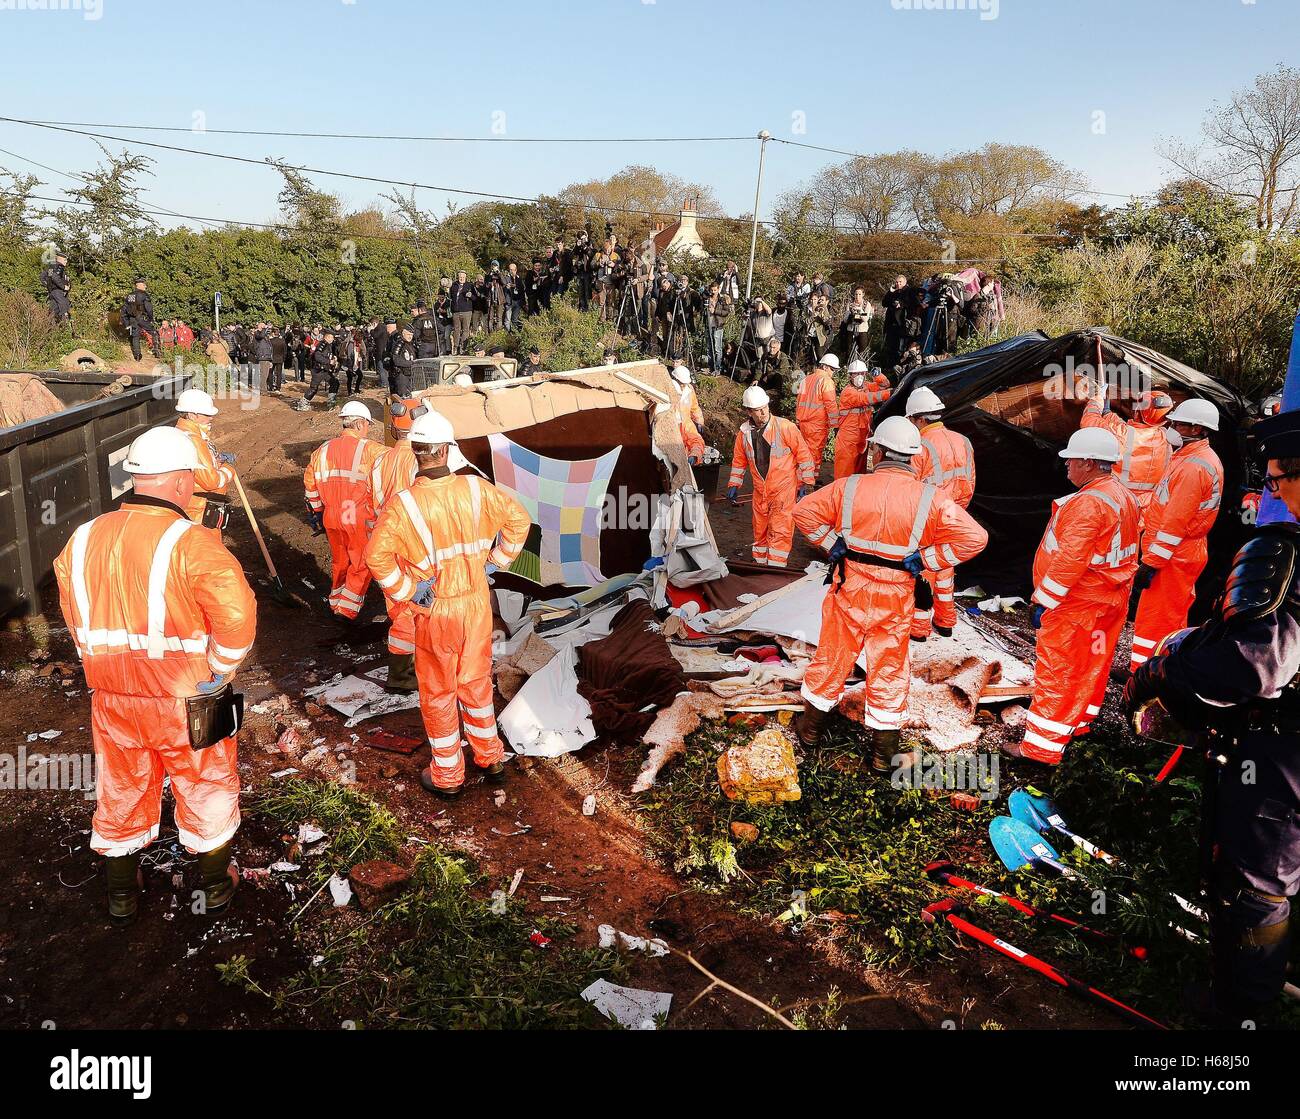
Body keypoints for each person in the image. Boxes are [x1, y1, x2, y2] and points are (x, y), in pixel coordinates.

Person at [1122, 407, 1300, 1026]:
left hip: (1282, 753)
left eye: (1278, 479)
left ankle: (1239, 1019)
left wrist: (1164, 679)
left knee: (1256, 885)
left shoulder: (1282, 557)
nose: (1271, 492)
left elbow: (1256, 664)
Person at [53, 426, 257, 921]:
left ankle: (122, 892)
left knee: (121, 787)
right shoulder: (193, 541)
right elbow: (238, 616)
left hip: (113, 697)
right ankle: (213, 885)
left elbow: (74, 612)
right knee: (204, 782)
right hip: (184, 696)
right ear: (183, 481)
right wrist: (220, 673)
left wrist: (100, 666)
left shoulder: (82, 538)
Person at [792, 415, 987, 769]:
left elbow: (803, 512)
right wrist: (928, 558)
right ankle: (883, 755)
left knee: (833, 657)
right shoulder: (930, 499)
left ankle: (810, 731)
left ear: (877, 450)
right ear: (913, 456)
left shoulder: (849, 487)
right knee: (889, 668)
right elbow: (976, 538)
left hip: (850, 586)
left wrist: (832, 543)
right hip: (895, 597)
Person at [364, 410, 530, 797]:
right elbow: (519, 521)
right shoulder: (476, 490)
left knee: (438, 693)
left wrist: (406, 590)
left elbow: (376, 557)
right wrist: (495, 562)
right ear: (446, 451)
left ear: (417, 452)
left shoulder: (403, 505)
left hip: (435, 608)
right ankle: (489, 757)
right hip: (474, 603)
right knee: (475, 683)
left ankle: (449, 776)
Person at [1007, 428, 1140, 771]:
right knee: (1092, 663)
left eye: (1071, 459)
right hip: (1108, 601)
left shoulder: (1089, 504)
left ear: (1089, 462)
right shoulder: (1122, 496)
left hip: (1077, 605)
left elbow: (1070, 560)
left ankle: (1040, 750)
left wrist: (1044, 600)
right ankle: (1078, 726)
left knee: (1059, 668)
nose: (1066, 465)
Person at [1130, 399, 1223, 671]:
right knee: (1172, 615)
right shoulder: (1193, 459)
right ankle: (1164, 668)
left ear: (1197, 429)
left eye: (1178, 423)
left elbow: (1174, 524)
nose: (1171, 427)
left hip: (1174, 554)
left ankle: (1144, 673)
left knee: (1156, 618)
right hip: (1182, 552)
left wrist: (1151, 564)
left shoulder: (1193, 466)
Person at [304, 401, 386, 622]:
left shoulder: (321, 451)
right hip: (357, 517)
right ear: (359, 424)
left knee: (340, 560)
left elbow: (310, 485)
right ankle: (347, 609)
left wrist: (318, 511)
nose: (367, 429)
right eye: (367, 424)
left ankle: (335, 600)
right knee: (361, 561)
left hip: (331, 516)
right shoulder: (371, 450)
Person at [905, 386, 976, 639]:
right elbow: (970, 482)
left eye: (912, 420)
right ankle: (946, 622)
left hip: (927, 518)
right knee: (945, 569)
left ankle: (919, 628)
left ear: (920, 419)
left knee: (924, 572)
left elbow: (910, 489)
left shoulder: (920, 446)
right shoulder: (964, 442)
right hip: (956, 514)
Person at [726, 385, 816, 567]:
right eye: (758, 411)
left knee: (780, 530)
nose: (763, 413)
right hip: (761, 491)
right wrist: (734, 484)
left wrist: (807, 482)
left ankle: (776, 568)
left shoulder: (785, 427)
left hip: (783, 489)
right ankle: (761, 567)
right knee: (760, 531)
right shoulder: (743, 435)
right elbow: (739, 461)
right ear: (749, 411)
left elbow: (804, 455)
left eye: (764, 408)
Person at [369, 401, 422, 692]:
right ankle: (404, 675)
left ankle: (405, 670)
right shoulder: (419, 460)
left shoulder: (381, 461)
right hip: (416, 544)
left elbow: (375, 504)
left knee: (399, 605)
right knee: (413, 608)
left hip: (390, 542)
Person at [1079, 380, 1173, 515]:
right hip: (1147, 507)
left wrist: (1097, 400)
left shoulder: (1124, 434)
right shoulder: (1165, 437)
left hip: (1117, 500)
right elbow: (1126, 429)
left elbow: (1089, 422)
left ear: (1138, 412)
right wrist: (1107, 412)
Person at [174, 388, 235, 537]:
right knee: (208, 552)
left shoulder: (183, 433)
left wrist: (216, 460)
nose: (211, 418)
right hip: (200, 512)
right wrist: (228, 470)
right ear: (192, 415)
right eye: (207, 414)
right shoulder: (194, 440)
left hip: (194, 508)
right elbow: (211, 481)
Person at [833, 361, 891, 480]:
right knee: (845, 472)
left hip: (862, 435)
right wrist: (889, 393)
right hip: (848, 437)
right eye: (856, 374)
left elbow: (884, 385)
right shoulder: (848, 392)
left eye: (862, 373)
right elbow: (866, 398)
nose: (859, 376)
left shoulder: (866, 386)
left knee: (859, 472)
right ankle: (841, 494)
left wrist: (878, 375)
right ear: (850, 376)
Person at [796, 353, 841, 477]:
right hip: (817, 425)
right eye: (832, 369)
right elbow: (831, 405)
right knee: (813, 454)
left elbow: (799, 401)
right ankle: (807, 482)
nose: (833, 373)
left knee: (803, 453)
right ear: (825, 367)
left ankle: (809, 479)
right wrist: (835, 425)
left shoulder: (806, 379)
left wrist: (798, 420)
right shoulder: (826, 381)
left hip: (804, 424)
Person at [671, 363, 705, 464]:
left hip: (686, 423)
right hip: (672, 426)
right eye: (681, 383)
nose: (683, 386)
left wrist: (699, 421)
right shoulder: (667, 391)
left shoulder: (689, 390)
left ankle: (693, 458)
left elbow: (694, 408)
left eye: (684, 383)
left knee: (697, 441)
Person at [121, 278, 163, 361]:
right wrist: (151, 318)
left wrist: (126, 323)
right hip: (142, 318)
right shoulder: (144, 294)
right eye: (144, 285)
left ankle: (137, 356)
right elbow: (149, 308)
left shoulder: (129, 296)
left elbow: (124, 310)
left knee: (135, 336)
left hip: (132, 319)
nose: (145, 286)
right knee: (154, 332)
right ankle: (157, 352)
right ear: (139, 285)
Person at [300, 329, 339, 409]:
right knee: (314, 388)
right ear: (328, 337)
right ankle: (303, 404)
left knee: (334, 382)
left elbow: (327, 355)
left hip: (325, 370)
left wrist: (333, 358)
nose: (333, 339)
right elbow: (317, 356)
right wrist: (329, 361)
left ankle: (331, 402)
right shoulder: (322, 344)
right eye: (332, 337)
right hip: (318, 370)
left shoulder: (328, 345)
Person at [41, 250, 71, 323]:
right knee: (65, 303)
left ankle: (49, 325)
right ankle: (65, 322)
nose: (66, 262)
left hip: (53, 291)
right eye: (65, 260)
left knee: (54, 309)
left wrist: (48, 285)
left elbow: (43, 277)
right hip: (57, 291)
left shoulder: (52, 267)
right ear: (60, 259)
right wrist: (63, 287)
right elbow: (54, 277)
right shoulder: (58, 266)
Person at [450, 271, 474, 352]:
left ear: (465, 277)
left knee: (466, 330)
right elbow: (450, 297)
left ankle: (463, 348)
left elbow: (475, 298)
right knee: (456, 330)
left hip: (466, 311)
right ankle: (455, 347)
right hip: (456, 311)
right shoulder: (454, 285)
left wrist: (470, 296)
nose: (461, 278)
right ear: (458, 277)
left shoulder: (470, 285)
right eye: (460, 277)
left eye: (463, 277)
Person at [390, 327, 417, 397]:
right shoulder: (399, 344)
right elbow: (396, 360)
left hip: (411, 374)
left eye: (411, 335)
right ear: (403, 334)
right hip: (402, 375)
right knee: (403, 396)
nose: (410, 336)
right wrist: (411, 364)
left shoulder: (411, 344)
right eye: (408, 334)